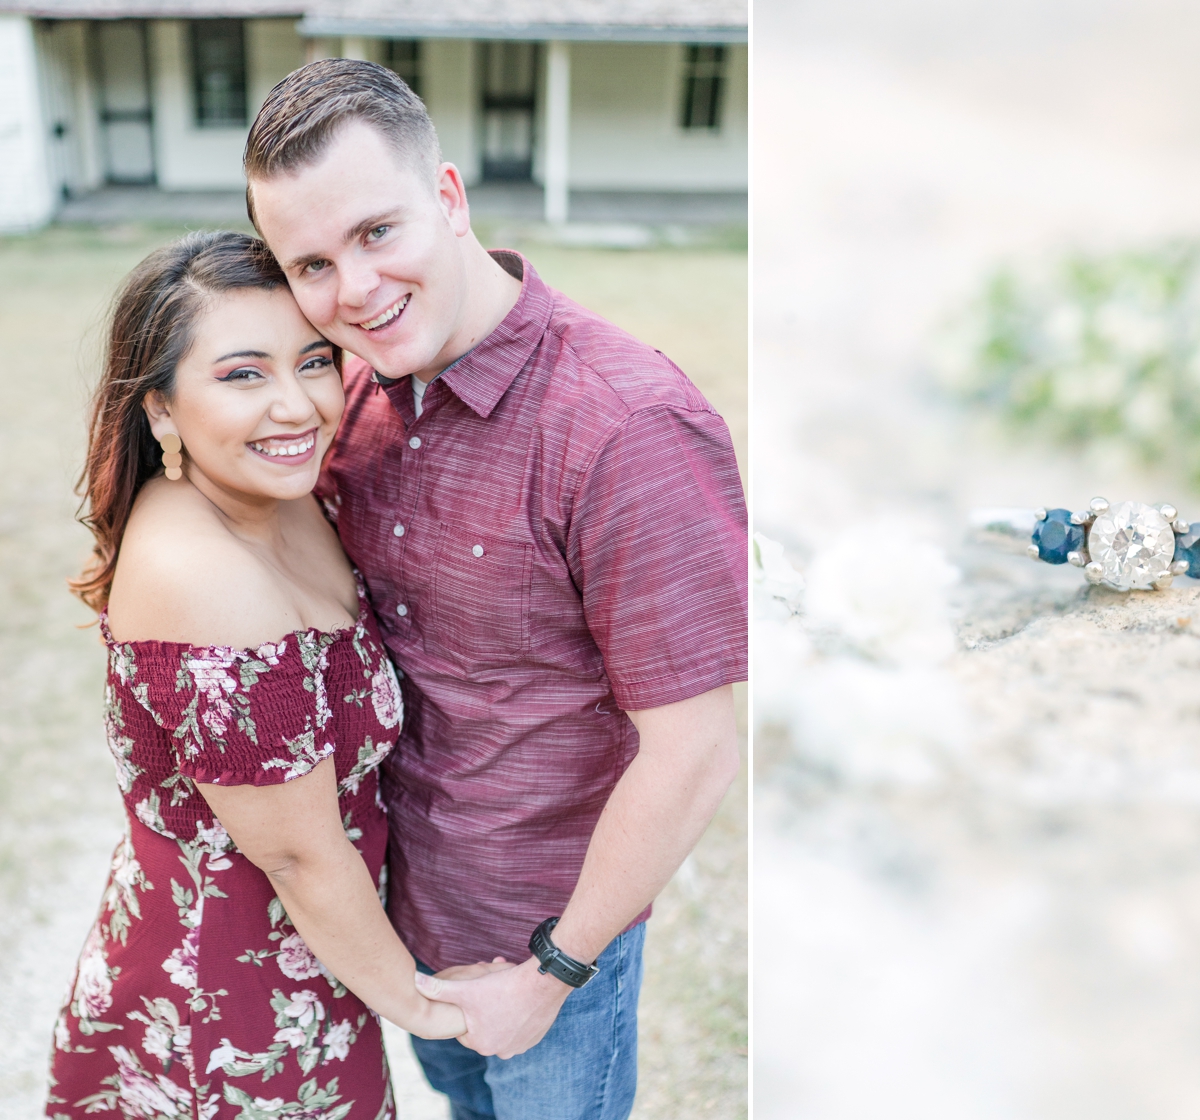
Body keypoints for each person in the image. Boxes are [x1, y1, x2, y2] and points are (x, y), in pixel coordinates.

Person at [244, 59, 748, 1120]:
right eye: (313, 263)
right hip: (411, 922)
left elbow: (697, 747)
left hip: (552, 947)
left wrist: (551, 973)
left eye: (379, 232)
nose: (355, 291)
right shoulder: (353, 398)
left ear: (449, 198)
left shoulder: (627, 426)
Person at [47, 231, 469, 1120]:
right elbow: (297, 850)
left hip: (307, 969)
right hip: (226, 1014)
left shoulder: (283, 498)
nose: (297, 406)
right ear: (160, 410)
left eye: (313, 361)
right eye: (243, 374)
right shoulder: (200, 578)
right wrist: (436, 1010)